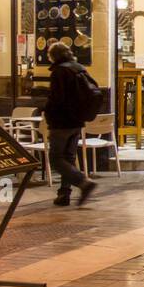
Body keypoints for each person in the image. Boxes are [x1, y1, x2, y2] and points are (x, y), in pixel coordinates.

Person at [43, 42, 98, 207]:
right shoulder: (79, 68)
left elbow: (57, 99)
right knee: (68, 158)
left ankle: (83, 182)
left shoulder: (59, 72)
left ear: (53, 56)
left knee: (56, 159)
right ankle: (64, 195)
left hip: (61, 122)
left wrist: (48, 113)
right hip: (77, 121)